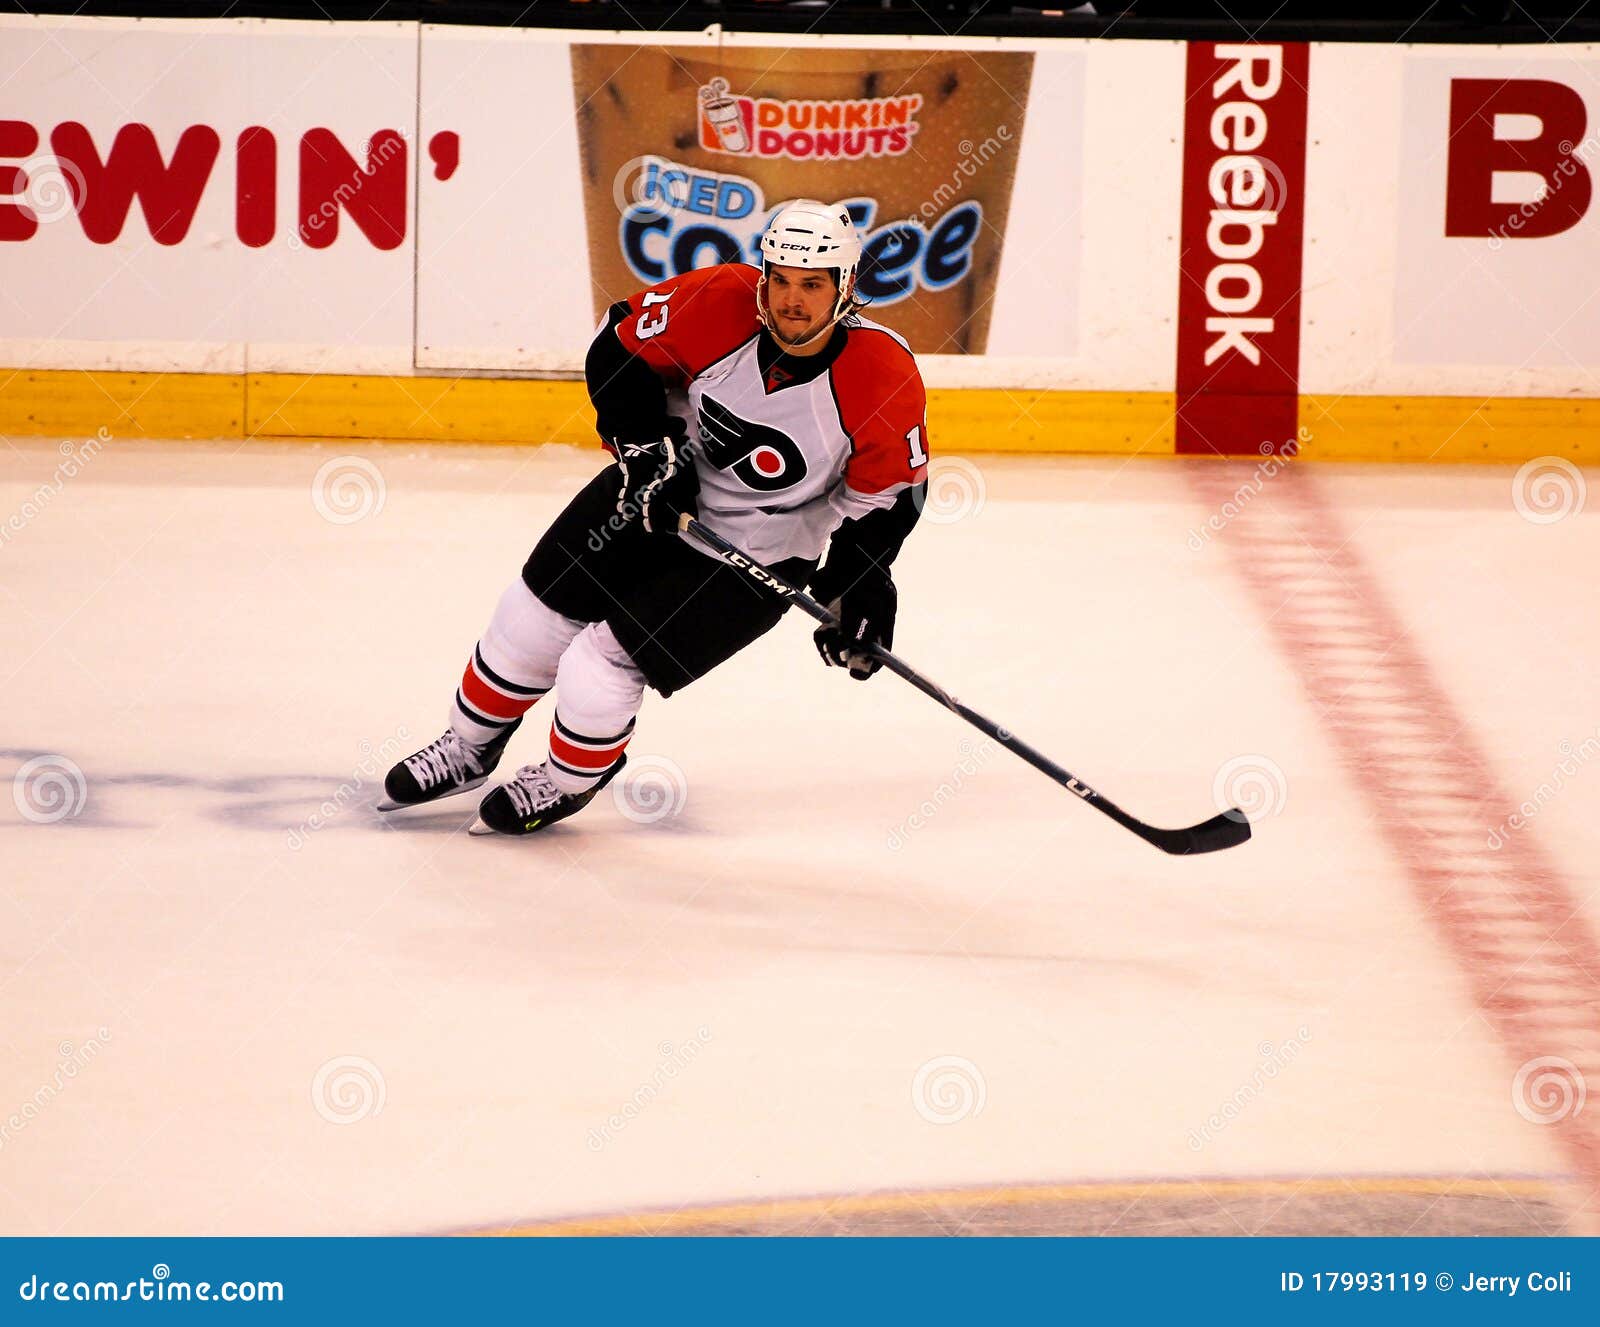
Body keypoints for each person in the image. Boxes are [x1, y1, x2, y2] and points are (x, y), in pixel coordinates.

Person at [379, 199, 930, 836]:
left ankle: (565, 781)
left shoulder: (880, 370)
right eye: (779, 279)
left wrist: (858, 584)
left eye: (811, 284)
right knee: (531, 620)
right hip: (660, 497)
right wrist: (646, 457)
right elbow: (617, 353)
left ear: (845, 287)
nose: (791, 301)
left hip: (761, 550)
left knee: (598, 665)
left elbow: (891, 495)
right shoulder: (719, 299)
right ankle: (469, 748)